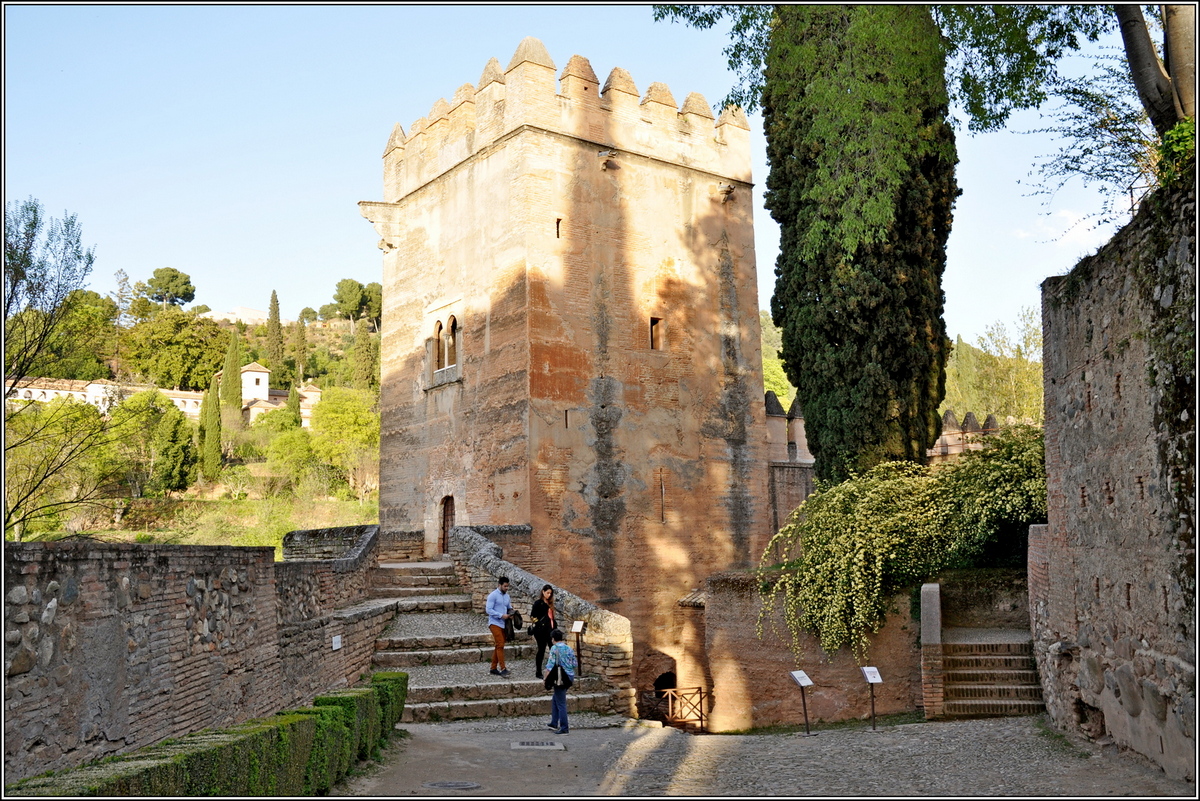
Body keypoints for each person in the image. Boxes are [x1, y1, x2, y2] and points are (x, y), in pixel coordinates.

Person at [543, 628, 576, 735]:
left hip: (559, 678)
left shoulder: (554, 648)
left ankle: (564, 727)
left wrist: (545, 678)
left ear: (553, 639)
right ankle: (553, 722)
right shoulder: (568, 648)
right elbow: (575, 664)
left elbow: (550, 665)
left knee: (561, 703)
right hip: (569, 676)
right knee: (555, 699)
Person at [485, 576, 513, 678]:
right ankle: (503, 668)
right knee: (500, 644)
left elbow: (509, 607)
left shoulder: (507, 596)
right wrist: (501, 615)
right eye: (505, 586)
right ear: (499, 585)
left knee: (498, 645)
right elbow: (488, 610)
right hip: (494, 623)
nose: (506, 588)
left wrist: (512, 613)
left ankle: (493, 668)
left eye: (507, 586)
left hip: (504, 624)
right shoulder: (493, 595)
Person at [530, 584, 556, 679]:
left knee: (553, 649)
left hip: (550, 630)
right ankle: (538, 671)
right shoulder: (538, 603)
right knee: (541, 650)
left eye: (550, 593)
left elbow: (552, 618)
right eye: (547, 593)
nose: (549, 595)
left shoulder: (550, 603)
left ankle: (553, 669)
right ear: (543, 592)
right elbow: (533, 616)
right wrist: (539, 624)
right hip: (540, 631)